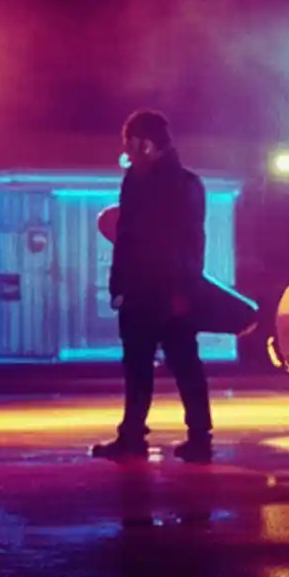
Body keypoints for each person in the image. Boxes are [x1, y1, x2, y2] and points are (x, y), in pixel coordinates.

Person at [92, 109, 213, 464]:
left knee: (182, 363)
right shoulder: (137, 180)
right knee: (141, 365)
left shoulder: (181, 185)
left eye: (129, 143)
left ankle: (196, 437)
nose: (126, 151)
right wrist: (119, 285)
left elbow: (189, 242)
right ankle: (136, 435)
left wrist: (182, 291)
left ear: (144, 143)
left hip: (167, 290)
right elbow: (127, 237)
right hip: (140, 291)